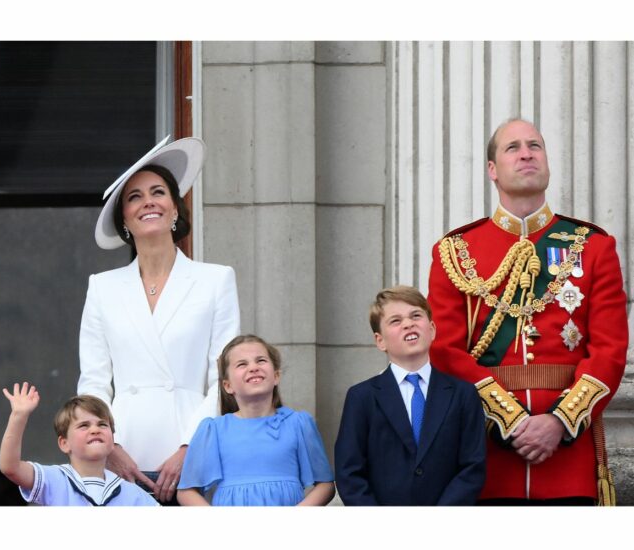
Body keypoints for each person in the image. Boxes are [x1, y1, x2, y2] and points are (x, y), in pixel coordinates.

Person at [427, 118, 628, 505]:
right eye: (513, 147)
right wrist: (511, 420)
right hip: (486, 459)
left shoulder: (593, 247)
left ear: (547, 162)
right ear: (492, 170)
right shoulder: (456, 251)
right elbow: (445, 352)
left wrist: (559, 421)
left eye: (535, 146)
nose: (526, 154)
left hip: (568, 458)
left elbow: (609, 350)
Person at [78, 135, 241, 504]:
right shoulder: (102, 288)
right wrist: (108, 445)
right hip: (122, 457)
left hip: (195, 456)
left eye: (157, 192)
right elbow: (94, 381)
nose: (147, 202)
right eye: (134, 197)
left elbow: (223, 378)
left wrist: (190, 448)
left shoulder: (215, 279)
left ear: (174, 209)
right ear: (124, 220)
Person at [334, 286, 486, 505]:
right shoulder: (362, 397)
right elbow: (349, 471)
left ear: (432, 329)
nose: (408, 323)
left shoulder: (463, 394)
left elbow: (472, 466)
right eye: (395, 321)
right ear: (380, 341)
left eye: (416, 315)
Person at [177, 334, 335, 506]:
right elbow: (186, 491)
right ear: (227, 386)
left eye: (260, 361)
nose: (253, 367)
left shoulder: (298, 424)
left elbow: (326, 485)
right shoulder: (213, 429)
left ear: (276, 376)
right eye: (242, 364)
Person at [0, 383, 157, 506]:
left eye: (102, 424)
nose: (95, 429)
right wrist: (19, 415)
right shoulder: (54, 479)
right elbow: (10, 467)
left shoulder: (133, 494)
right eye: (84, 426)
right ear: (64, 443)